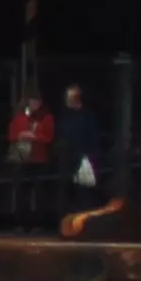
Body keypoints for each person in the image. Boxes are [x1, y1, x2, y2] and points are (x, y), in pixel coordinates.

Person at [51, 82, 108, 211]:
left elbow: (93, 138)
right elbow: (60, 134)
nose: (66, 100)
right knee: (65, 192)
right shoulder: (65, 117)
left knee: (83, 193)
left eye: (69, 97)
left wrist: (89, 156)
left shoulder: (88, 117)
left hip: (83, 159)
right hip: (66, 160)